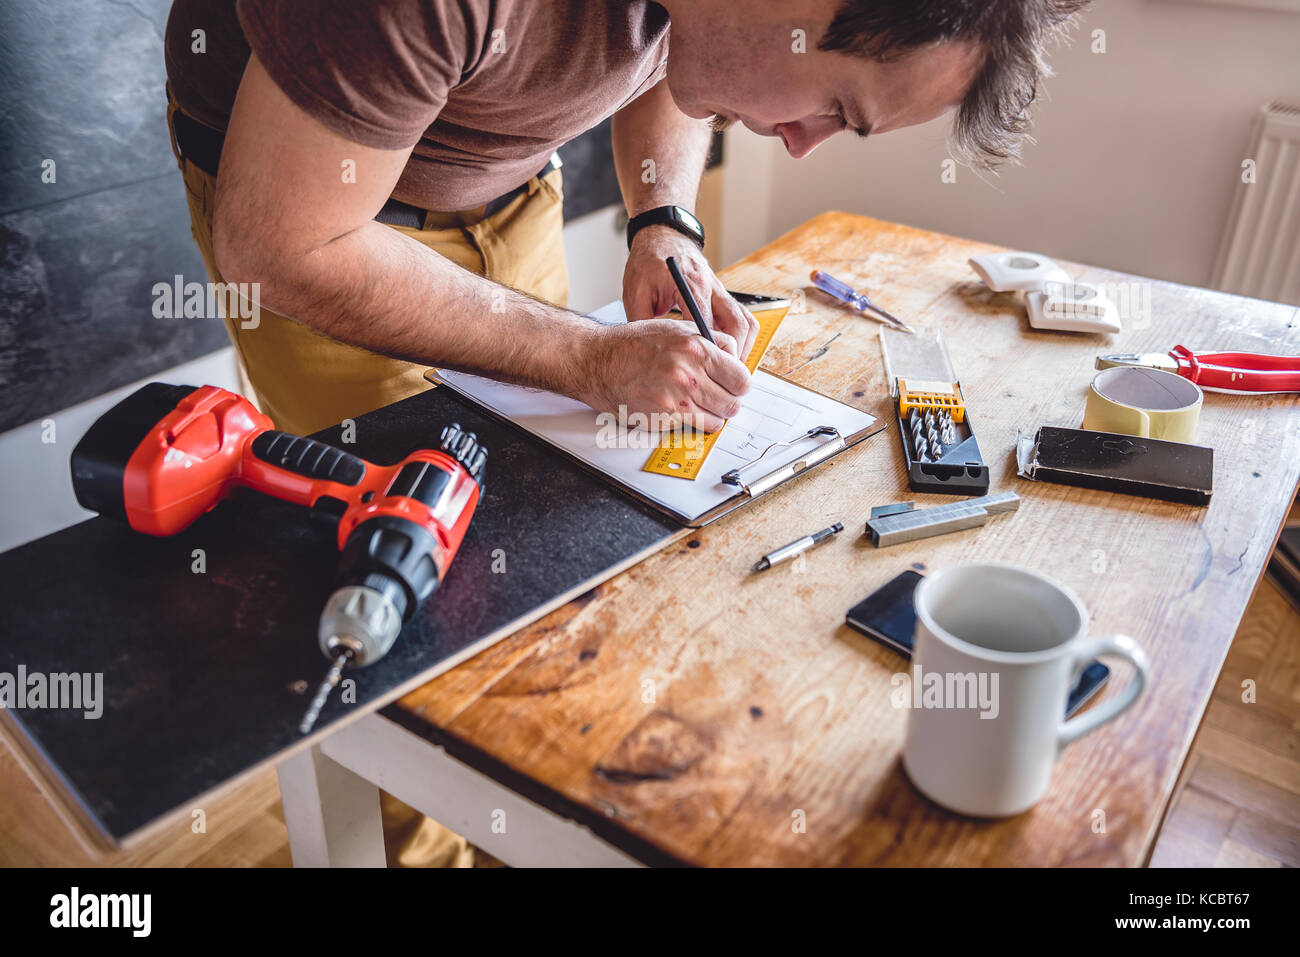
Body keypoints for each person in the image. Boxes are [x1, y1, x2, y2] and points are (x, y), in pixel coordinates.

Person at [163, 0, 1090, 864]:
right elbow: (282, 245)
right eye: (838, 106)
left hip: (506, 172)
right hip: (323, 226)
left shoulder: (728, 23)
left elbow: (689, 52)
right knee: (398, 588)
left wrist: (666, 222)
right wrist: (586, 359)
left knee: (523, 547)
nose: (803, 146)